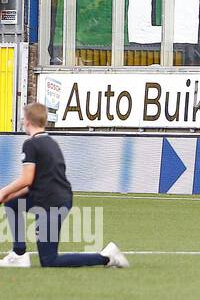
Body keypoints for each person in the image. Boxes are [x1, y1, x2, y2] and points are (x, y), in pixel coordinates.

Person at [0, 103, 128, 269]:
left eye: (24, 118)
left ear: (28, 121)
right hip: (51, 199)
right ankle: (18, 254)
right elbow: (35, 182)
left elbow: (26, 179)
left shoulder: (31, 144)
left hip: (51, 204)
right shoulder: (50, 142)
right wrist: (7, 197)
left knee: (49, 261)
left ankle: (106, 257)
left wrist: (3, 191)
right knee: (12, 203)